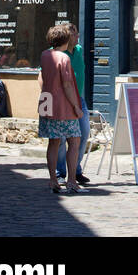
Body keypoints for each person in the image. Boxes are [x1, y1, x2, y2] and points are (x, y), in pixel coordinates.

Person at [38, 24, 83, 192]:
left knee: (54, 142)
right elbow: (67, 85)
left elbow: (42, 77)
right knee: (74, 140)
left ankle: (53, 180)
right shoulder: (64, 58)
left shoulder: (45, 55)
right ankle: (71, 180)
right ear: (65, 39)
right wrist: (76, 106)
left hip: (48, 103)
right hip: (63, 106)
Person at [55, 24, 91, 186]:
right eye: (74, 34)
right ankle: (60, 172)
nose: (77, 37)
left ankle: (75, 169)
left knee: (83, 134)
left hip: (79, 100)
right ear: (67, 37)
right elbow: (43, 74)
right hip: (62, 100)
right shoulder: (55, 53)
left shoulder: (78, 50)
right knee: (62, 138)